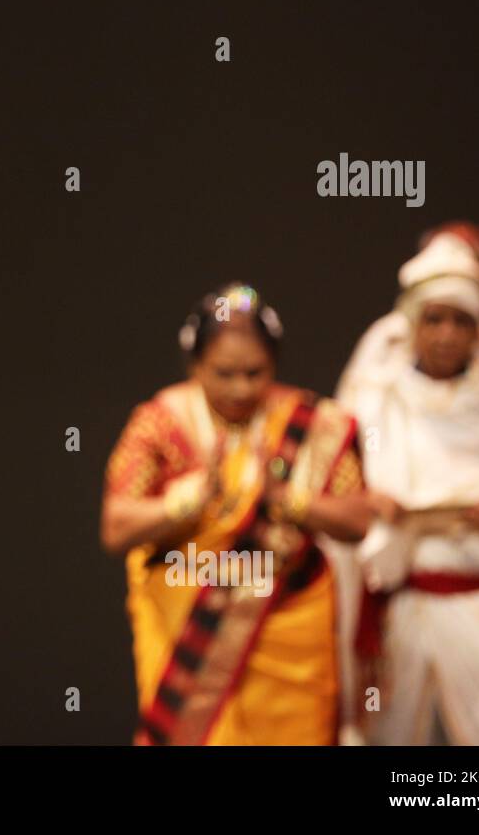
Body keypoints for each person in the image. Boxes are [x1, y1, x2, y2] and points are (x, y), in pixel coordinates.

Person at [101, 283, 374, 745]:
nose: (241, 388)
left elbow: (358, 521)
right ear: (195, 366)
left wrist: (290, 500)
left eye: (255, 372)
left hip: (290, 622)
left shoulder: (314, 422)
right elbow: (116, 528)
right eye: (223, 373)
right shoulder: (161, 422)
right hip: (188, 625)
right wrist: (187, 501)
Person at [337, 232, 479, 744]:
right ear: (412, 322)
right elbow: (337, 478)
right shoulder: (377, 387)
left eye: (461, 321)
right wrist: (370, 503)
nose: (445, 334)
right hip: (401, 605)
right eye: (434, 319)